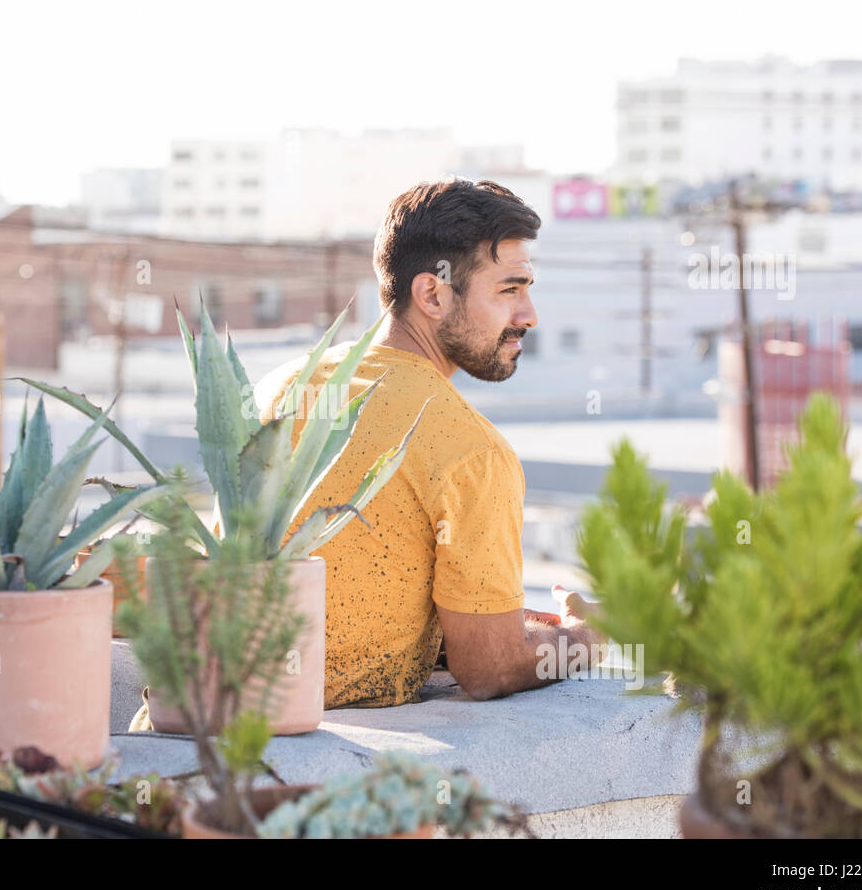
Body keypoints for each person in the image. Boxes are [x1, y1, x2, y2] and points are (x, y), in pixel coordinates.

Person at [251, 178, 606, 709]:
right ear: (433, 294)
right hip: (312, 760)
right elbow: (490, 666)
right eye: (509, 289)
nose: (529, 314)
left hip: (187, 734)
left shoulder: (281, 385)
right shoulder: (473, 452)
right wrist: (588, 636)